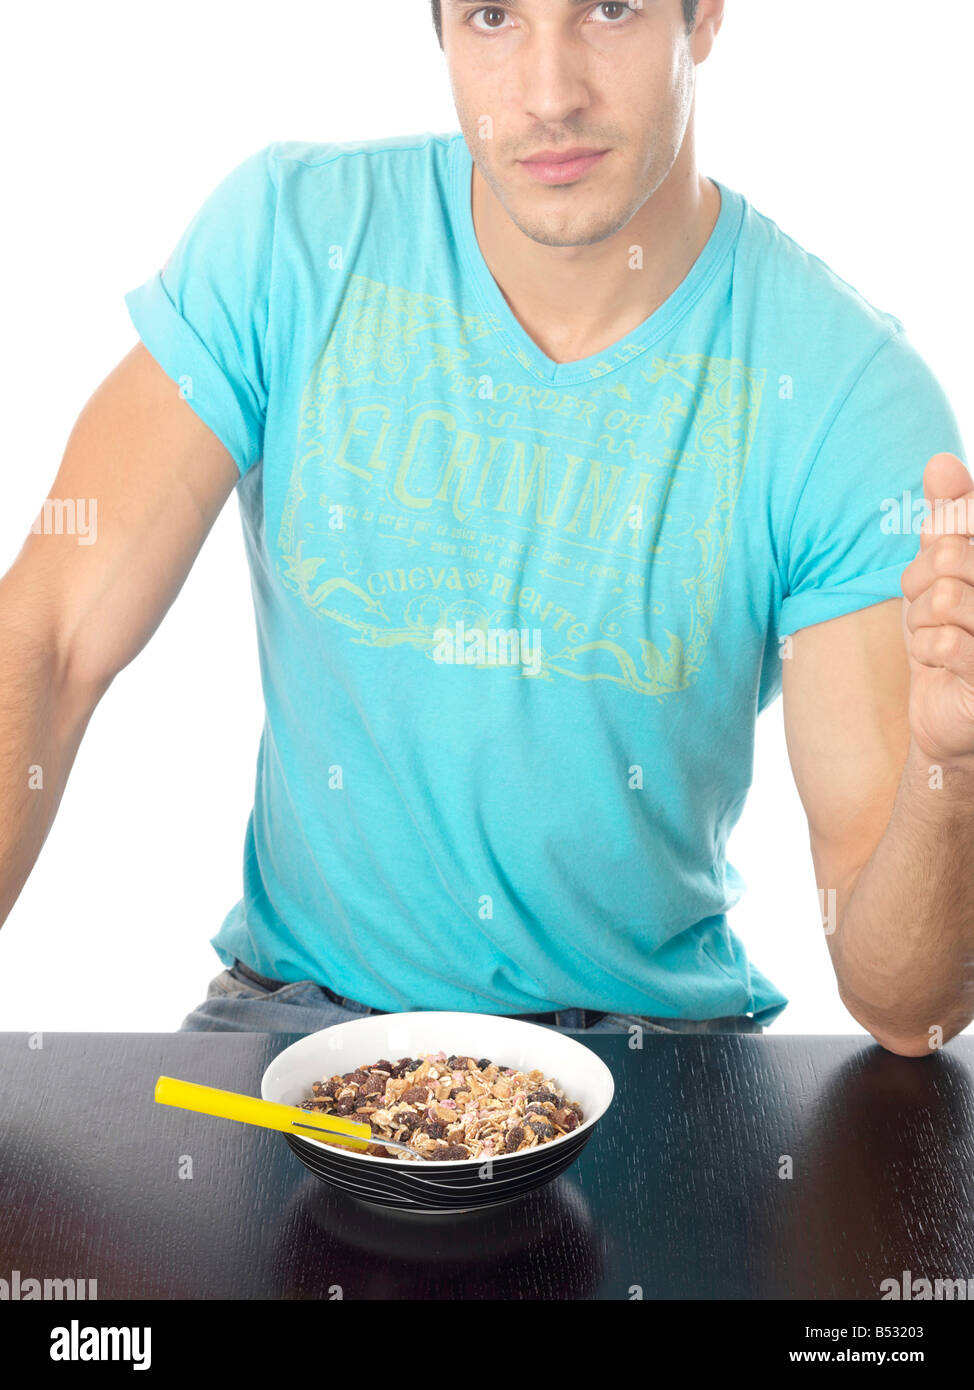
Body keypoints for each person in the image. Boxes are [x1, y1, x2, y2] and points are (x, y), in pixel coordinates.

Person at [1, 0, 971, 1050]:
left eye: (607, 9)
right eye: (494, 16)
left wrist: (948, 774)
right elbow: (47, 644)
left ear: (704, 16)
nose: (549, 95)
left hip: (645, 1052)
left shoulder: (841, 392)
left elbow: (905, 1005)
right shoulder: (290, 241)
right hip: (295, 1030)